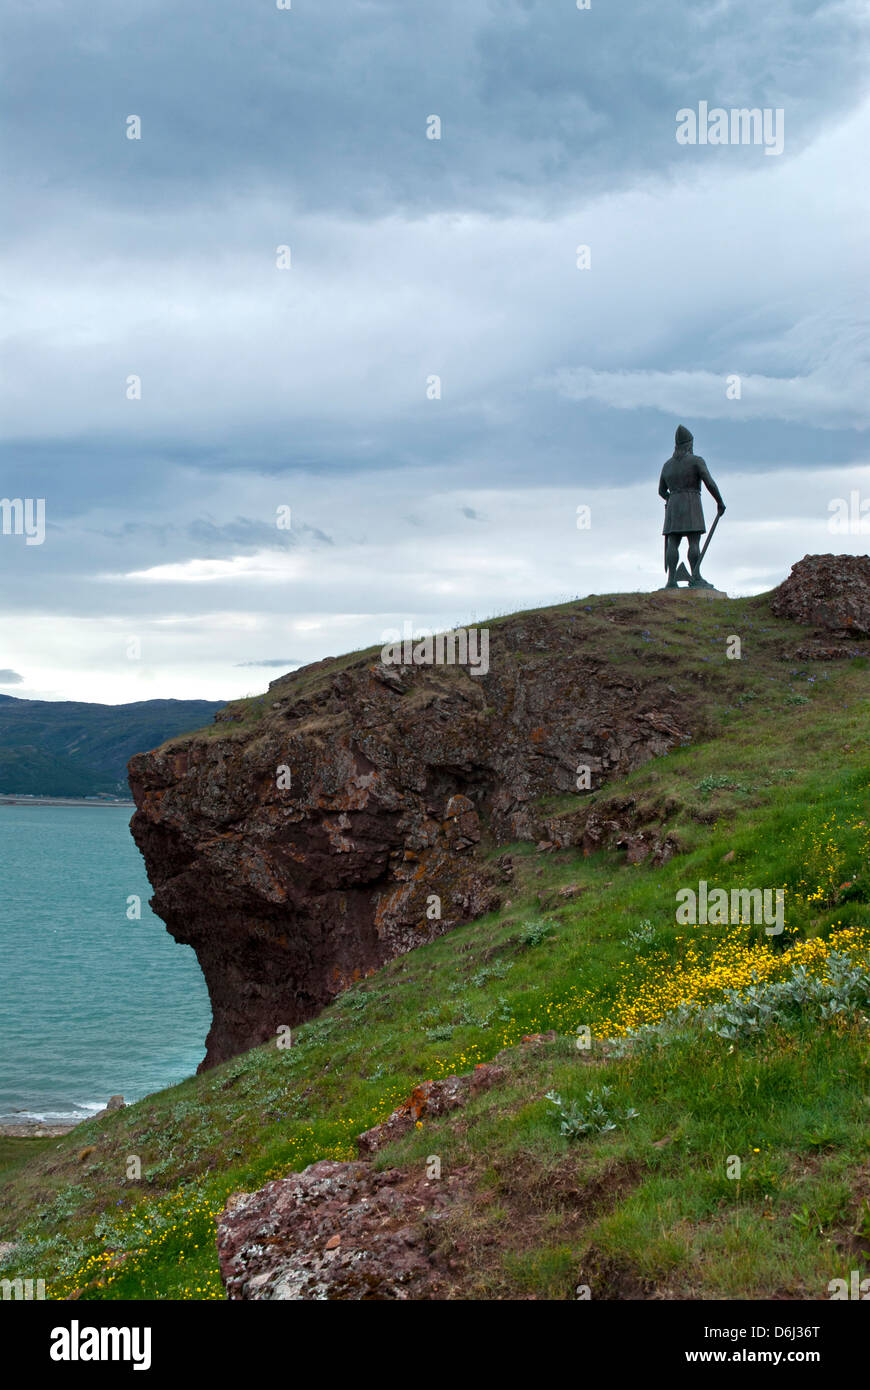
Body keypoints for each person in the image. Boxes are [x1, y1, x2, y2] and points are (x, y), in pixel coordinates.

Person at [659, 425, 725, 589]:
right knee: (693, 542)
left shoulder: (667, 465)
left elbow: (661, 491)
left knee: (673, 542)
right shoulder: (696, 460)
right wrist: (720, 501)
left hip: (673, 504)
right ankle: (696, 576)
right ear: (689, 444)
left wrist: (671, 499)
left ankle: (671, 580)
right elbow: (709, 482)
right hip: (691, 502)